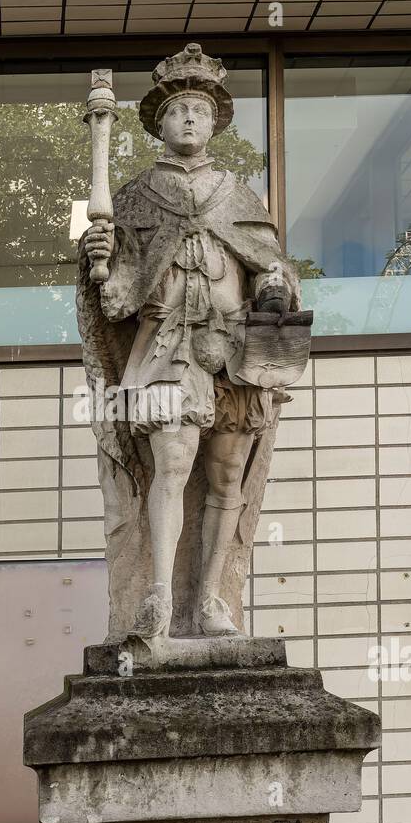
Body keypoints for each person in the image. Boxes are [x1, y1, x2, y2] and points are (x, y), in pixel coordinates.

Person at [79, 44, 301, 640]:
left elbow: (270, 268)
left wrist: (277, 284)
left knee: (227, 477)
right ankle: (156, 597)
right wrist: (102, 262)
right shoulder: (134, 197)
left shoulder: (239, 196)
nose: (188, 120)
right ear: (159, 122)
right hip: (167, 346)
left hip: (233, 354)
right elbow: (117, 297)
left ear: (215, 122)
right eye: (178, 110)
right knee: (172, 465)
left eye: (199, 110)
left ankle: (209, 601)